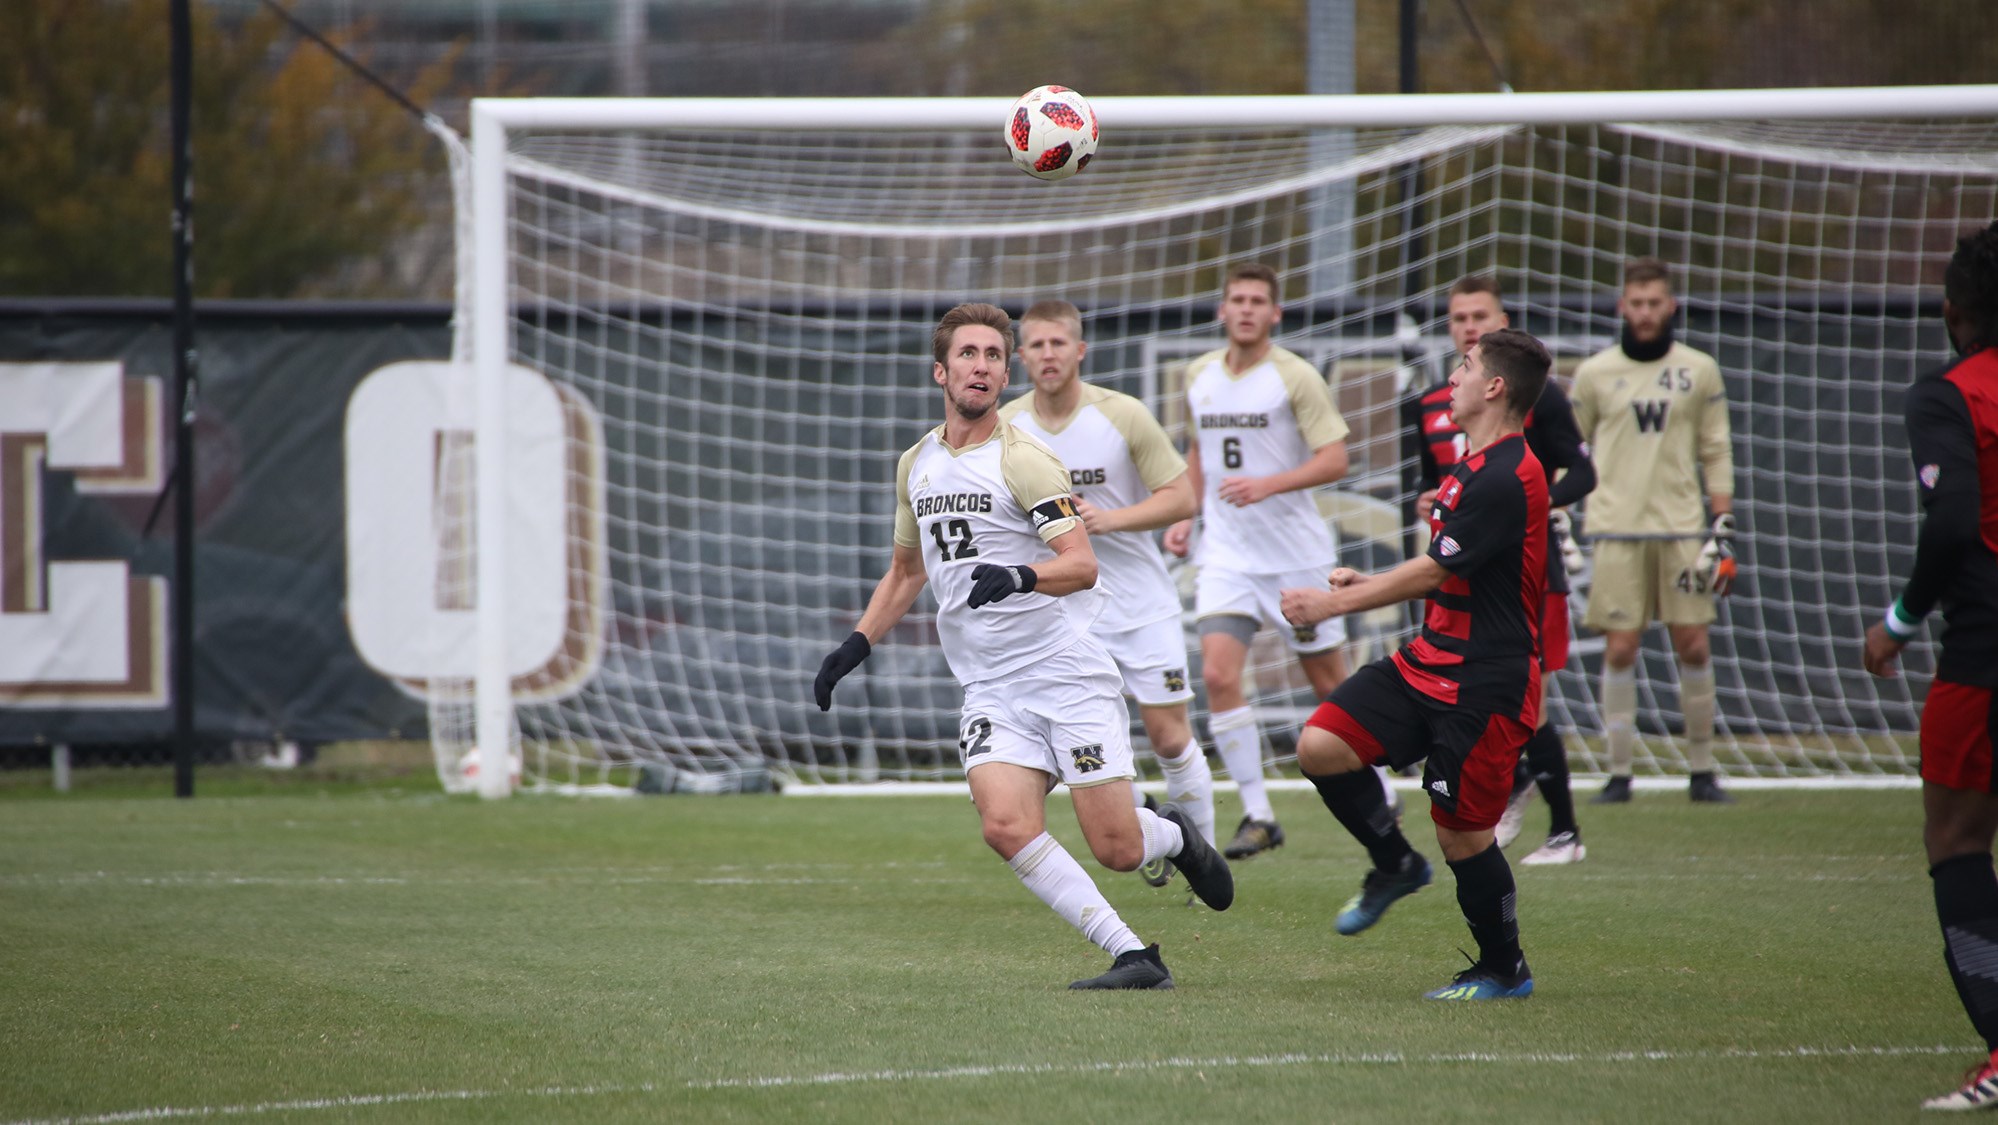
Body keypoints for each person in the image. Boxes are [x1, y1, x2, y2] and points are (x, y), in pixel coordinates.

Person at [814, 302, 1234, 991]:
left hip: (1065, 671)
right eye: (969, 354)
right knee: (1005, 824)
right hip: (990, 686)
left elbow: (1082, 564)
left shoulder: (1025, 458)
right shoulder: (916, 463)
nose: (982, 366)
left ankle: (1175, 835)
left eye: (992, 356)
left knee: (1119, 849)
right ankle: (1134, 955)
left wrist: (1020, 573)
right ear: (940, 370)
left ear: (1003, 374)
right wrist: (855, 644)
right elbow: (907, 570)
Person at [1278, 327, 1552, 1000]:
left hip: (1485, 681)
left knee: (1463, 835)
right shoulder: (1469, 463)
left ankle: (1502, 967)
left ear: (1494, 386)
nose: (1451, 379)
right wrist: (1361, 581)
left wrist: (1328, 605)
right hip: (1427, 660)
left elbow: (1433, 570)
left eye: (1464, 367)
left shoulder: (1509, 472)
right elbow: (1443, 567)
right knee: (1320, 745)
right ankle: (1395, 863)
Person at [1163, 263, 1391, 860]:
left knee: (1329, 684)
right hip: (1228, 557)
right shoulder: (1198, 375)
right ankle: (1260, 815)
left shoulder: (1295, 376)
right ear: (1221, 310)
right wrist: (1187, 514)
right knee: (1215, 675)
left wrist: (1269, 484)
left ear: (1275, 313)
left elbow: (1336, 459)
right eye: (1236, 299)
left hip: (1296, 559)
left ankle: (1384, 788)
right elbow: (1198, 453)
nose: (1244, 309)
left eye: (1257, 300)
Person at [999, 300, 1219, 883]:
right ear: (1022, 357)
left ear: (1080, 351)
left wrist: (1109, 520)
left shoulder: (1122, 415)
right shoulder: (1007, 427)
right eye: (1037, 345)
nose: (1048, 355)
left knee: (1171, 737)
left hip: (1140, 603)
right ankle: (1151, 828)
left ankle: (1204, 860)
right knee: (1085, 740)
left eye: (1058, 344)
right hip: (1066, 612)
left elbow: (1182, 498)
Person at [1861, 220, 1998, 1111]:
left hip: (1985, 652)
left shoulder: (1949, 394)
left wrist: (1899, 620)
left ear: (1953, 312)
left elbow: (1951, 528)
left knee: (1956, 842)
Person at [1408, 276, 1597, 865]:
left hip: (1523, 572)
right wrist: (1428, 499)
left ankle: (1563, 829)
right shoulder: (1433, 404)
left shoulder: (1534, 396)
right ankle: (1507, 793)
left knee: (1527, 698)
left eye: (1481, 315)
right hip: (1459, 575)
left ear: (1504, 319)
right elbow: (1428, 483)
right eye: (1459, 317)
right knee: (1470, 692)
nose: (1470, 326)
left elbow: (1582, 473)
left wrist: (1533, 512)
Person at [1570, 257, 1738, 805]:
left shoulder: (1700, 369)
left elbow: (1715, 448)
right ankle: (1619, 774)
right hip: (1616, 528)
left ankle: (1702, 771)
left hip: (1684, 529)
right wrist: (1559, 514)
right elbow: (1569, 452)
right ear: (1623, 307)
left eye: (1654, 303)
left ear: (1672, 306)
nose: (1645, 313)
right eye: (1636, 304)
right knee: (1619, 648)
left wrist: (1722, 524)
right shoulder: (1595, 373)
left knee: (1692, 643)